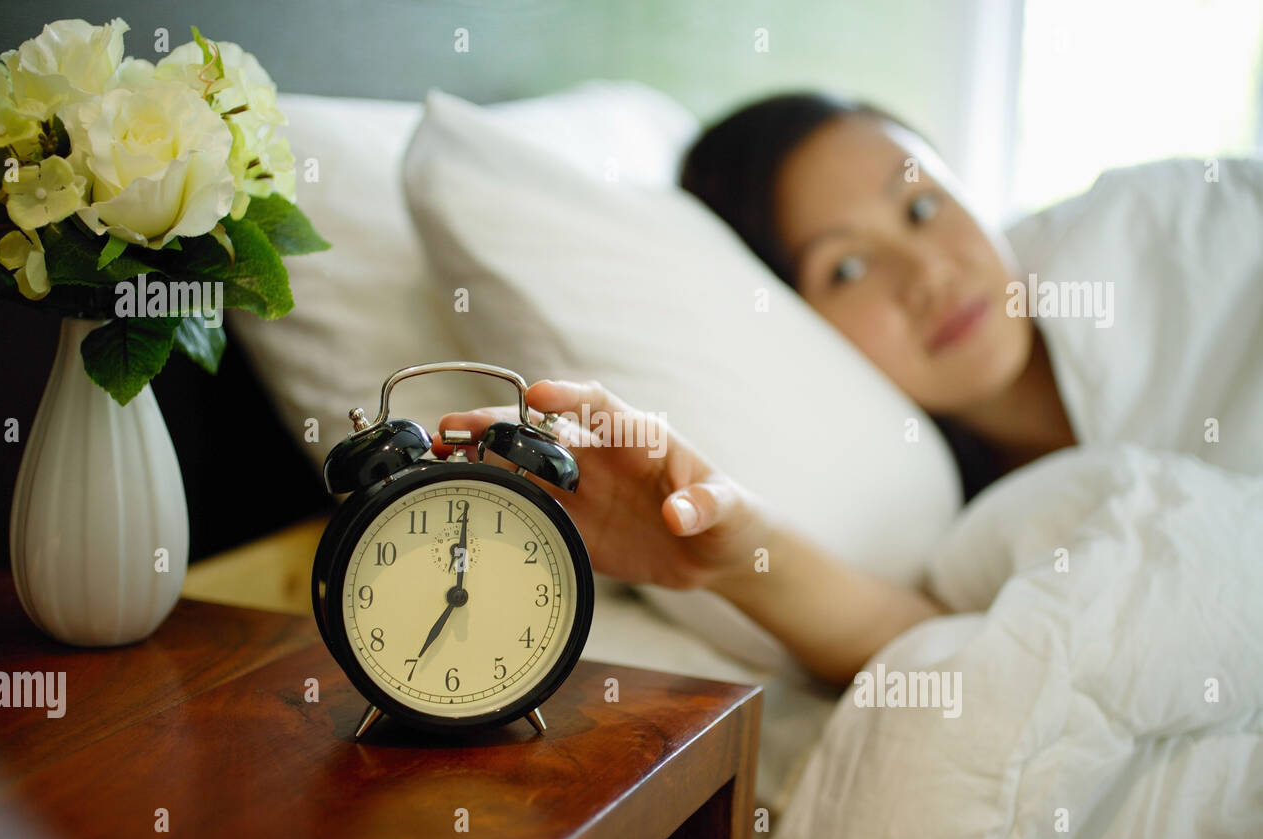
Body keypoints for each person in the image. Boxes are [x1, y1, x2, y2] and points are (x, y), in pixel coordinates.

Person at [434, 92, 1079, 685]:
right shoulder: (965, 519)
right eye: (846, 268)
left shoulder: (1149, 246)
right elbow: (951, 659)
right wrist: (736, 557)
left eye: (921, 207)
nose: (928, 273)